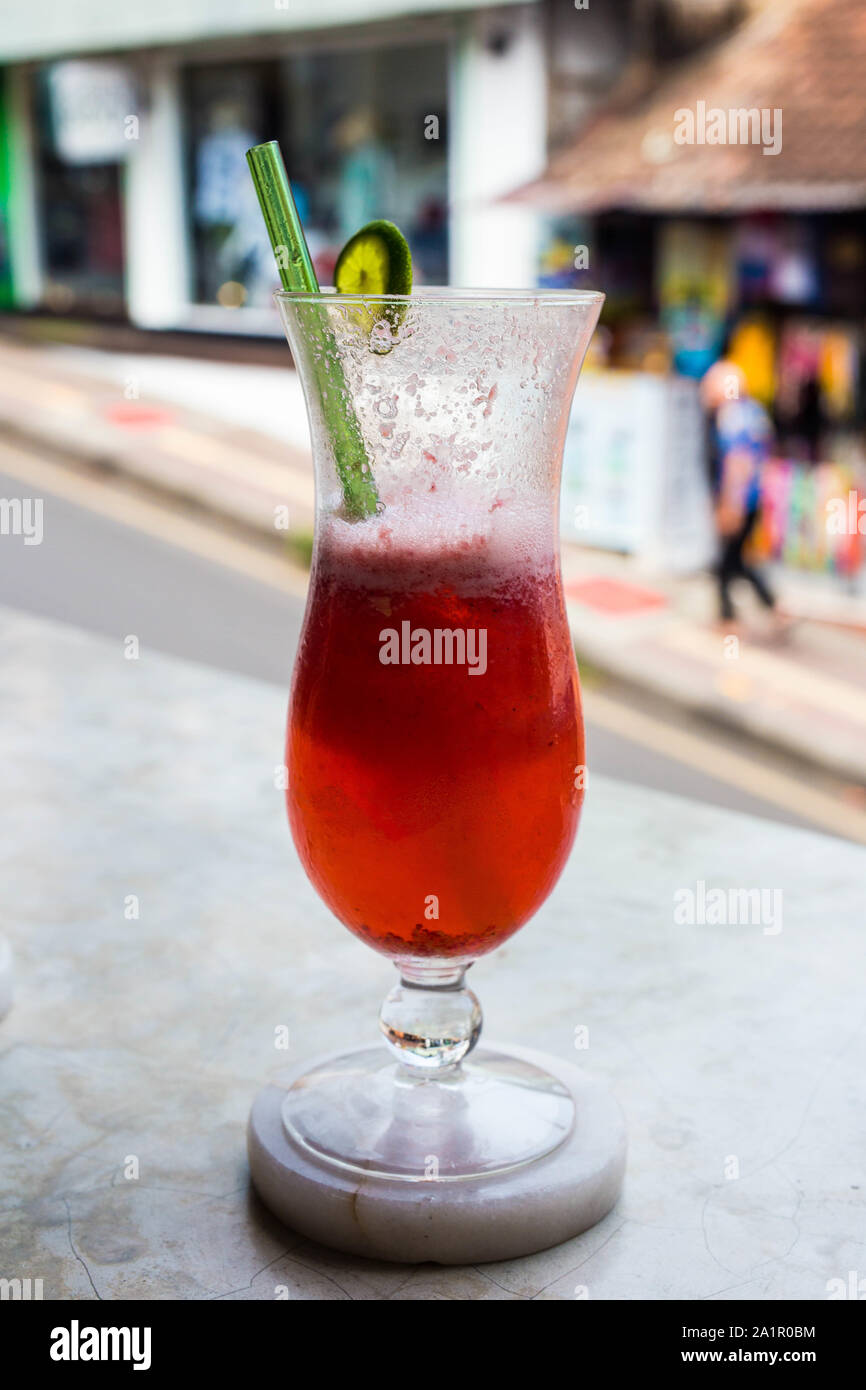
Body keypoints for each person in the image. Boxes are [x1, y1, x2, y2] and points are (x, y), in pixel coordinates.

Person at [701, 359, 780, 631]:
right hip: (754, 498)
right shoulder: (754, 411)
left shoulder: (732, 416)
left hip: (740, 501)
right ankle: (771, 607)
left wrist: (729, 505)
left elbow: (738, 462)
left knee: (725, 562)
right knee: (736, 559)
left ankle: (728, 619)